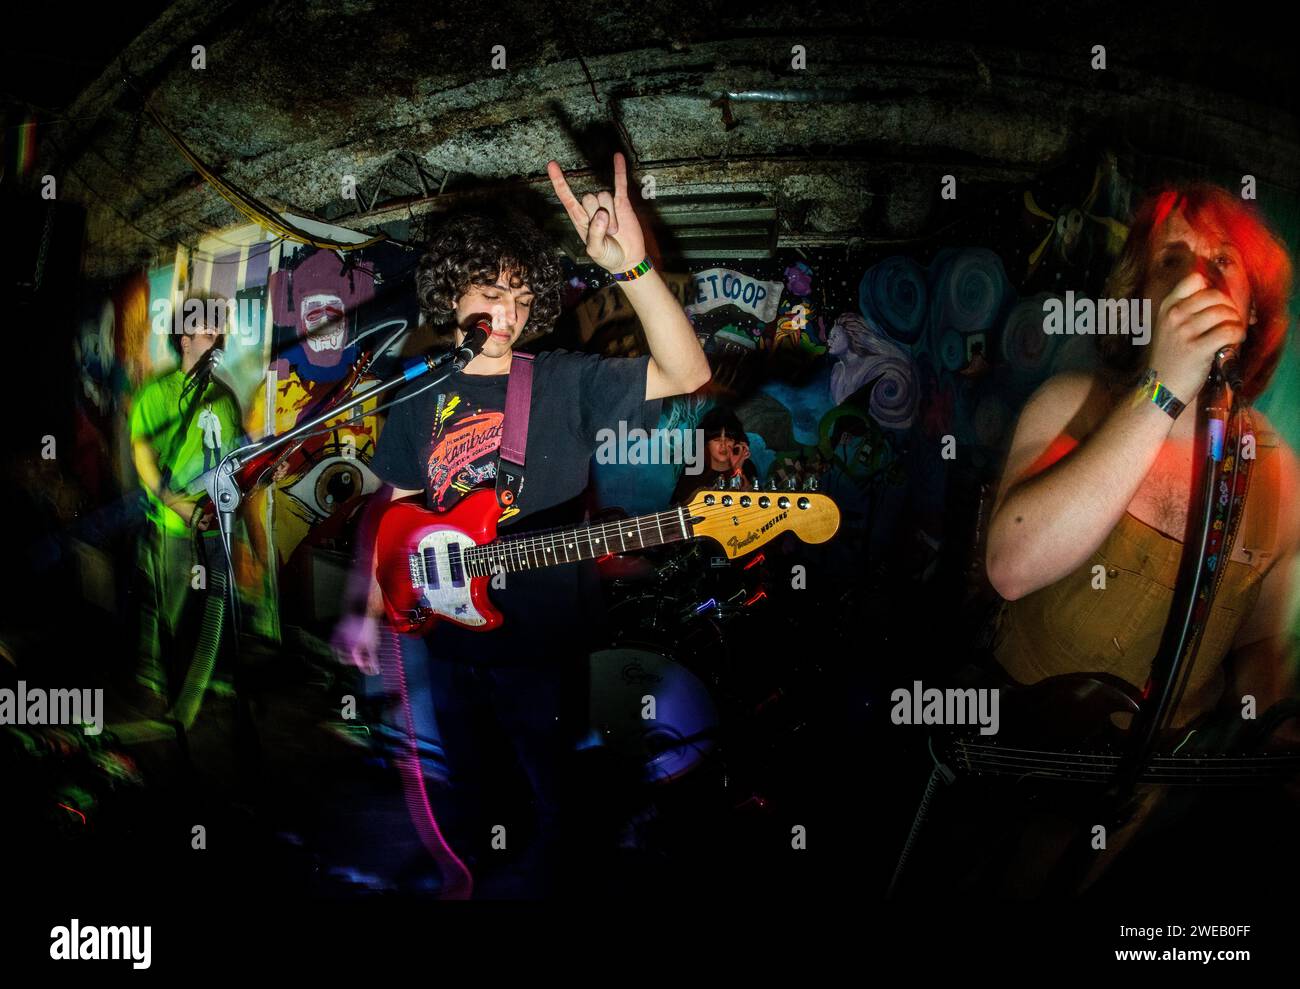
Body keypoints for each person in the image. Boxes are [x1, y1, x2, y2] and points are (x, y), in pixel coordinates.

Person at [333, 152, 711, 896]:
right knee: (473, 799)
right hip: (447, 641)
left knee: (560, 803)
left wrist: (632, 268)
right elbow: (392, 510)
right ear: (453, 293)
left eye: (518, 294)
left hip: (546, 647)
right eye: (488, 291)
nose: (504, 312)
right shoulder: (416, 394)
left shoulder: (564, 380)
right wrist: (365, 605)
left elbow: (687, 372)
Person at [975, 182, 1300, 895]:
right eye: (1170, 261)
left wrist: (1271, 729)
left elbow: (1256, 645)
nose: (1194, 278)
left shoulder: (1282, 475)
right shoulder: (1073, 404)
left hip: (1147, 776)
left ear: (1251, 311)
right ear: (1141, 299)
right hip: (1024, 738)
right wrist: (1162, 387)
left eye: (1223, 263)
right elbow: (1010, 565)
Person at [129, 293, 245, 713]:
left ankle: (210, 673)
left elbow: (235, 457)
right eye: (207, 330)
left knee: (216, 602)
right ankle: (152, 673)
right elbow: (143, 456)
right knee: (169, 604)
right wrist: (178, 505)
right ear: (184, 339)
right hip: (174, 522)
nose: (215, 338)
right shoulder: (157, 393)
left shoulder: (225, 398)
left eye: (218, 331)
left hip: (216, 521)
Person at [670, 405, 758, 503]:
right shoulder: (692, 470)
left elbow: (750, 503)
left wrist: (737, 469)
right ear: (706, 443)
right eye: (717, 440)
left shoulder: (747, 466)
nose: (723, 445)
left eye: (729, 440)